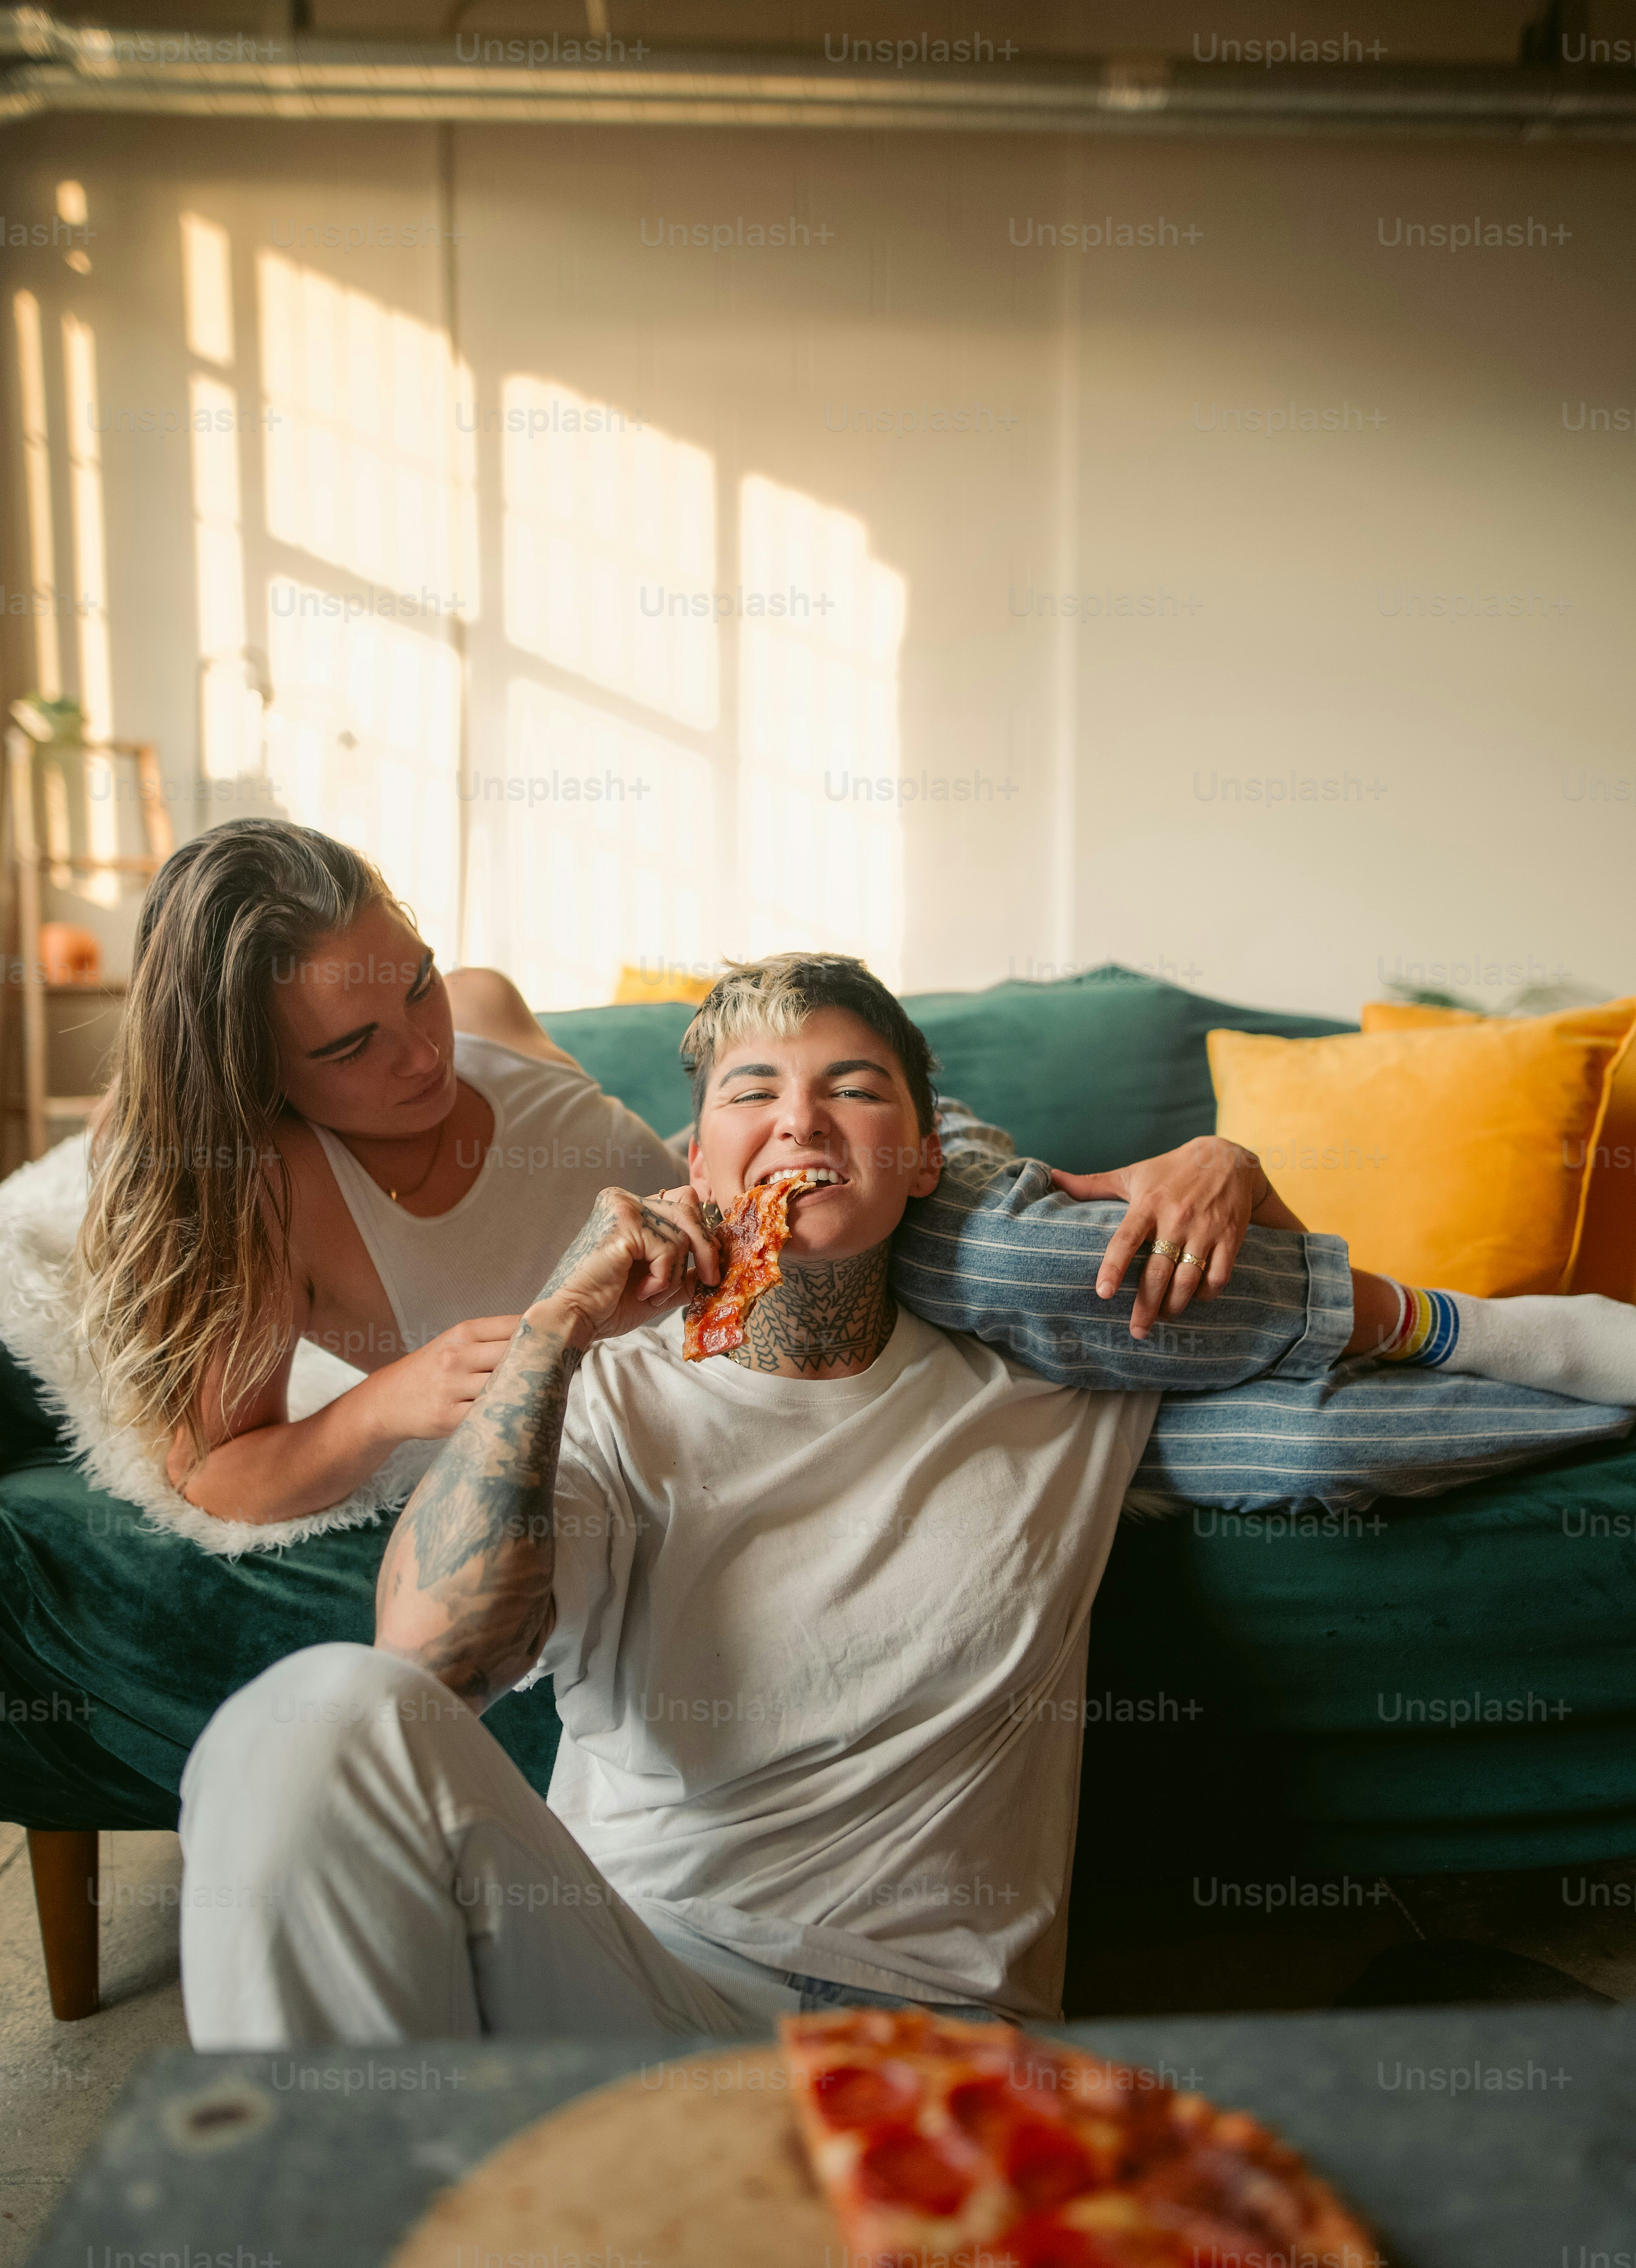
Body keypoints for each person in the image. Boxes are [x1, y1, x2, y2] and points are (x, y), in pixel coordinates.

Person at [178, 960, 1636, 2044]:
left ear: (933, 1157)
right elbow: (432, 1663)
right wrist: (556, 1325)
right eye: (750, 1094)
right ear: (695, 1164)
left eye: (854, 1089)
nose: (796, 1121)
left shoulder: (1061, 1370)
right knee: (307, 1718)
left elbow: (1300, 1365)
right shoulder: (610, 1392)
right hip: (639, 1987)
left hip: (927, 2046)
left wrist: (1232, 1169)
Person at [76, 823, 1632, 1528]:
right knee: (1285, 1465)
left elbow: (723, 1130)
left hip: (821, 1202)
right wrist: (398, 1399)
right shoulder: (255, 1194)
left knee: (1023, 1257)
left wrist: (1196, 1160)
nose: (419, 1051)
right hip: (749, 1356)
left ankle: (1495, 1325)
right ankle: (1588, 1380)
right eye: (353, 1047)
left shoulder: (478, 1010)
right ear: (252, 1070)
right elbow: (214, 1471)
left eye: (410, 981)